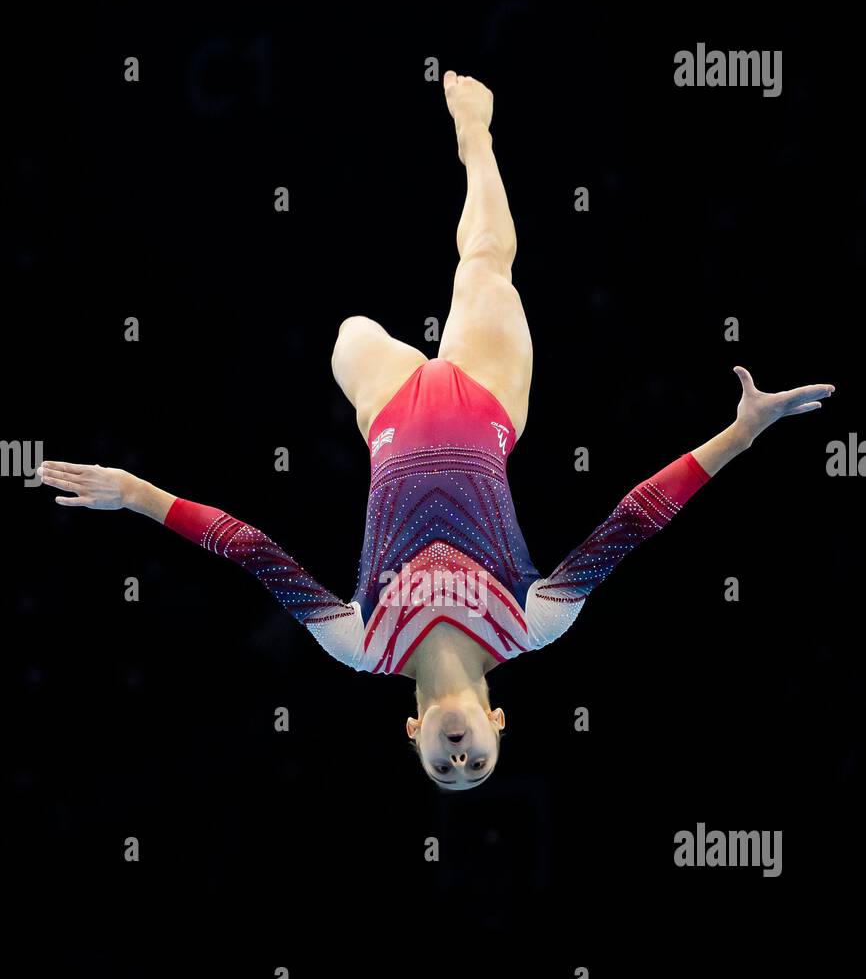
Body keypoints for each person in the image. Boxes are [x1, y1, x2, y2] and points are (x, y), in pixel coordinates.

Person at [38, 72, 835, 790]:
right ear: (496, 724)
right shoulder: (535, 623)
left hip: (388, 420)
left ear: (413, 733)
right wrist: (741, 433)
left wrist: (135, 492)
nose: (459, 755)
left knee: (349, 331)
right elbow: (634, 519)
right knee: (485, 261)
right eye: (476, 761)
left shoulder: (361, 644)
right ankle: (477, 141)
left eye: (442, 765)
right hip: (485, 405)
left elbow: (248, 548)